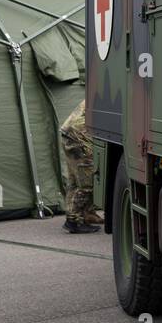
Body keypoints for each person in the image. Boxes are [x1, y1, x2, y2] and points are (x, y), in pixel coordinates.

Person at [60, 99, 102, 233]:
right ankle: (73, 220)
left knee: (74, 180)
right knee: (87, 182)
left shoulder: (99, 89)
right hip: (79, 135)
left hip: (70, 132)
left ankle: (86, 214)